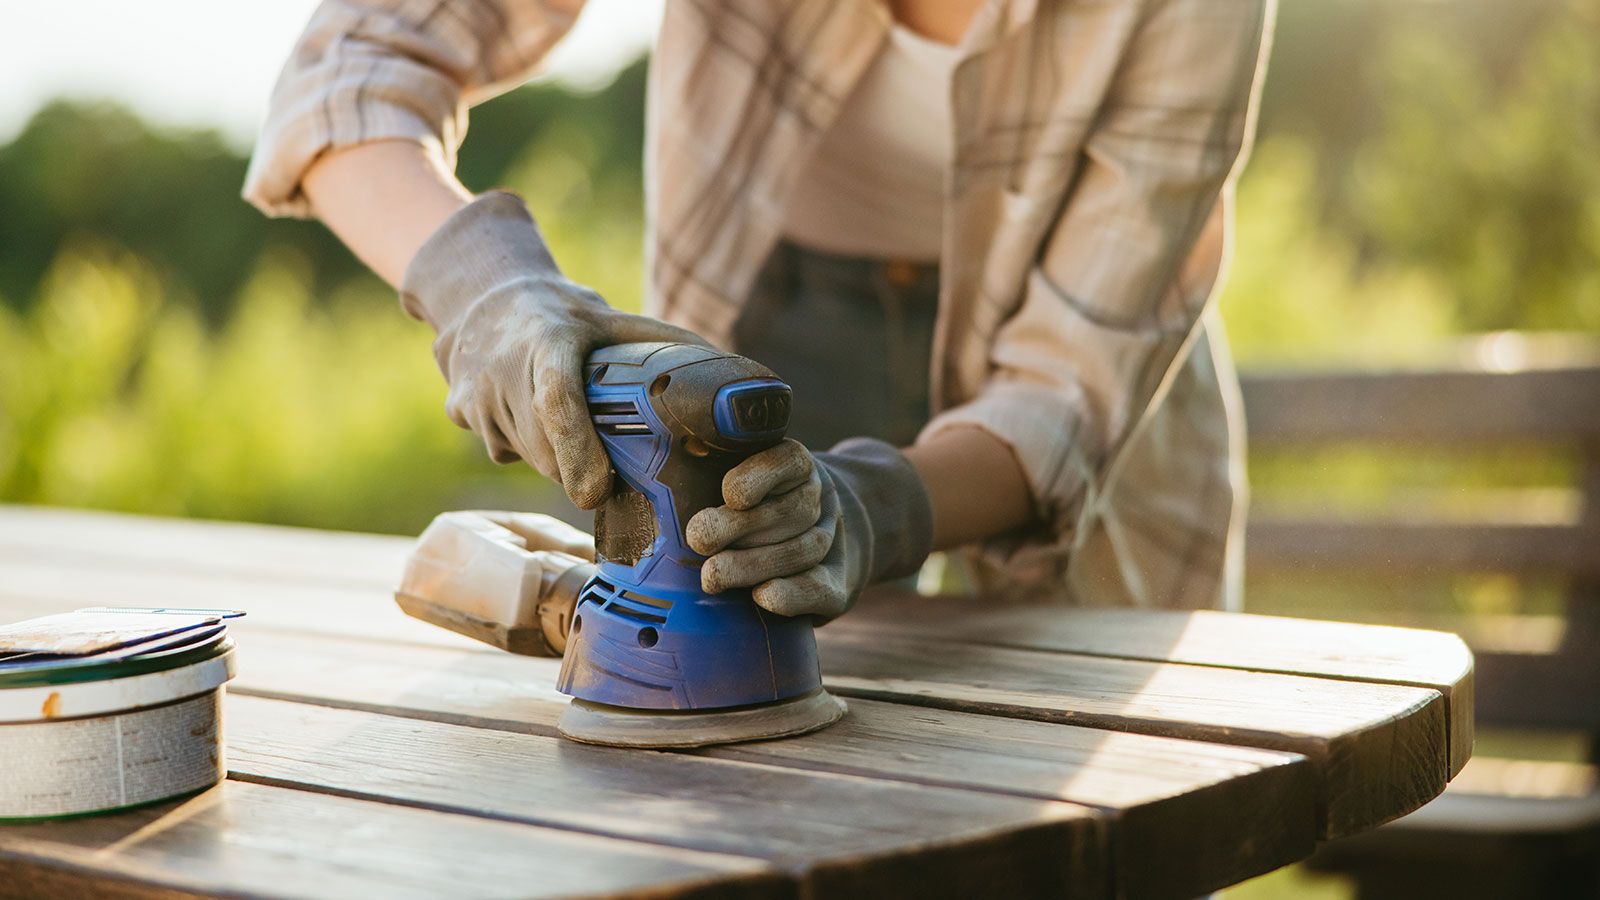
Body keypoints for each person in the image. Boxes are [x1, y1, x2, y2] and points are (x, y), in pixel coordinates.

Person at [245, 0, 1274, 621]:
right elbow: (348, 75)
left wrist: (869, 509)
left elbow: (1061, 399)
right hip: (775, 326)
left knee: (1093, 815)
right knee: (728, 775)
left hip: (1088, 394)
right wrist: (491, 295)